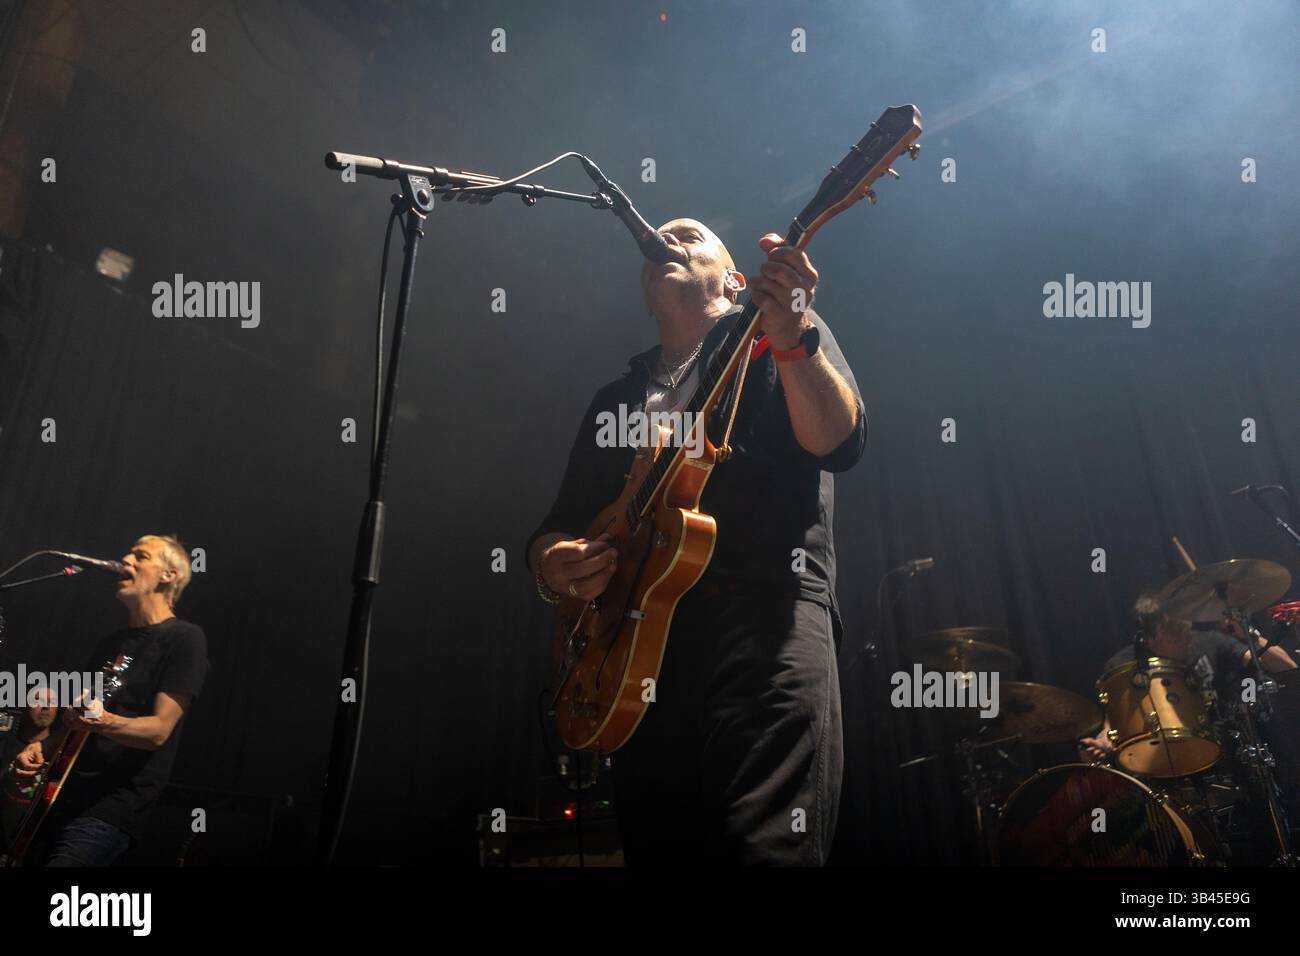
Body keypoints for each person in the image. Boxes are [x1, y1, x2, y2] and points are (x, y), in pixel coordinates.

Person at [527, 219, 866, 865]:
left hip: (764, 623)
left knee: (764, 845)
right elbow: (558, 523)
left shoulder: (772, 339)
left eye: (688, 234)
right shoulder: (616, 399)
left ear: (737, 281)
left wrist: (792, 333)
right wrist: (553, 564)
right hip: (638, 649)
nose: (664, 241)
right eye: (658, 241)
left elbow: (838, 444)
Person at [5, 534, 209, 865]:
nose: (127, 560)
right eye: (128, 552)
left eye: (141, 556)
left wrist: (101, 721)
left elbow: (158, 732)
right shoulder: (111, 643)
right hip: (60, 798)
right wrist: (42, 748)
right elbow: (80, 724)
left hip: (111, 808)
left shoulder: (184, 638)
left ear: (168, 574)